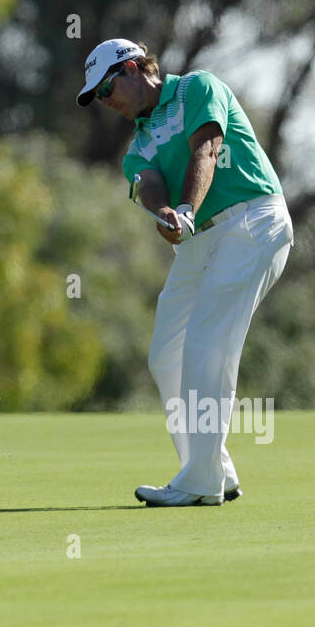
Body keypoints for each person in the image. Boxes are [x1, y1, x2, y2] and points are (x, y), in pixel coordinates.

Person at [77, 38, 293, 506]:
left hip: (251, 218)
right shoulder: (135, 147)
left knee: (206, 344)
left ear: (133, 68)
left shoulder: (198, 87)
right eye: (96, 96)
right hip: (198, 239)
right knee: (166, 352)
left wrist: (186, 210)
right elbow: (148, 181)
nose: (103, 100)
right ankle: (216, 468)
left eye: (106, 86)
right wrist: (166, 214)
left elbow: (206, 150)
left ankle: (199, 481)